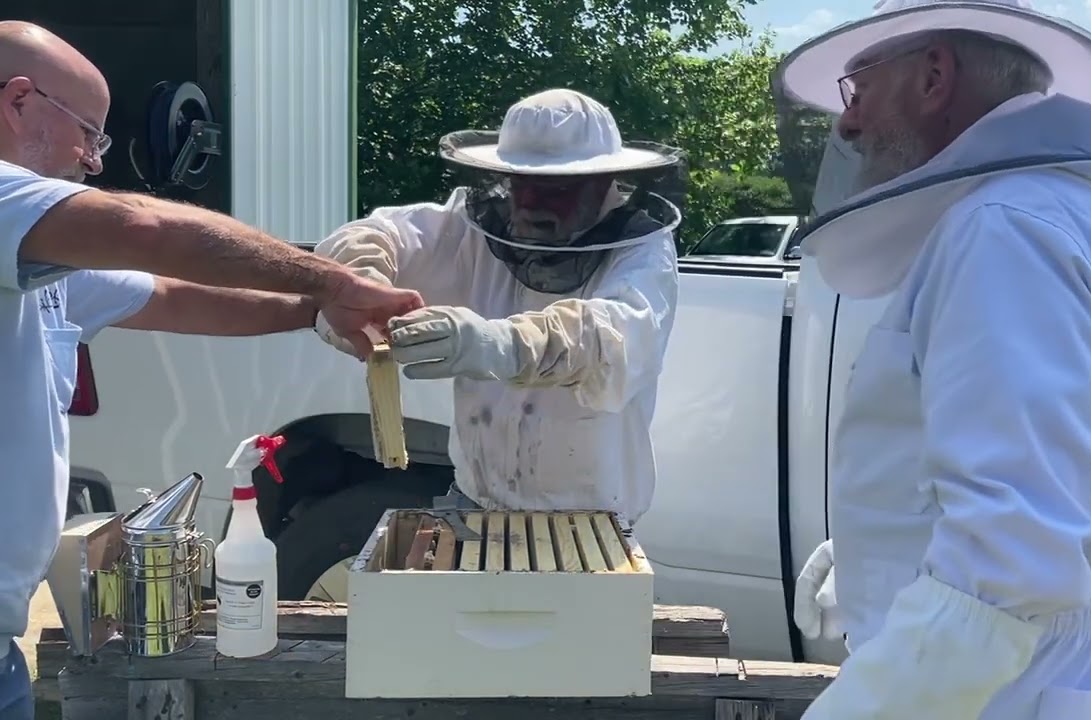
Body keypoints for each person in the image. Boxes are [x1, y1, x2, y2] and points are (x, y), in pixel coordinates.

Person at [0, 21, 423, 719]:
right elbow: (143, 228)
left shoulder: (34, 251)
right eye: (88, 133)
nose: (94, 161)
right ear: (19, 102)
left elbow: (172, 296)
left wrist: (321, 312)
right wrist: (331, 280)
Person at [778, 1, 1091, 718]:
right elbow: (1020, 484)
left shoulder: (1005, 227)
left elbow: (1008, 559)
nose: (849, 123)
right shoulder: (1054, 210)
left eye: (859, 88)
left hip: (991, 684)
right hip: (1020, 667)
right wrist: (879, 545)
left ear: (934, 76)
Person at [313, 88, 684, 529]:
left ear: (604, 183)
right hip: (473, 501)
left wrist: (498, 343)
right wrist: (360, 278)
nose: (528, 203)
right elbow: (382, 231)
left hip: (588, 523)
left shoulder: (642, 252)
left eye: (555, 188)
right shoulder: (475, 228)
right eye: (519, 183)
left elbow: (611, 339)